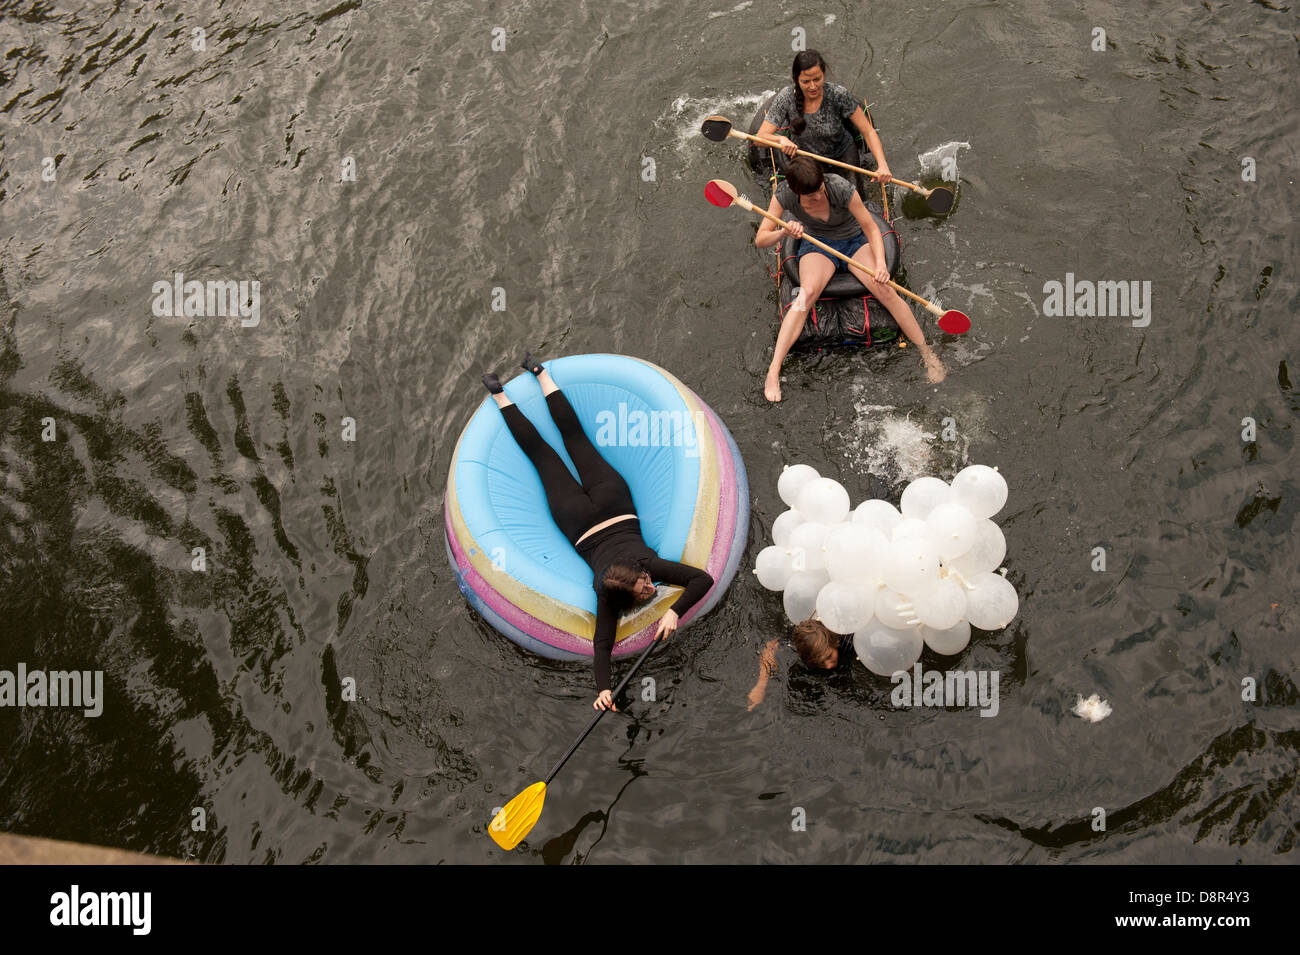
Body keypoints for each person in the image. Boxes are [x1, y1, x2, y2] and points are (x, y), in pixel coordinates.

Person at [481, 355, 714, 711]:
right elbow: (603, 646)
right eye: (647, 586)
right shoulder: (629, 577)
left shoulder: (627, 579)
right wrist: (604, 688)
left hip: (588, 515)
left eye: (645, 584)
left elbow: (604, 645)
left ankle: (522, 383)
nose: (651, 586)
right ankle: (527, 379)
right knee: (563, 446)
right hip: (602, 507)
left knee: (552, 453)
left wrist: (672, 612)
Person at [754, 157, 946, 400]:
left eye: (821, 191)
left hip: (853, 241)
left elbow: (871, 228)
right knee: (806, 295)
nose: (819, 197)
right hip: (816, 244)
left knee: (886, 291)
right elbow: (761, 239)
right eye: (811, 196)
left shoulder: (840, 188)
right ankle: (773, 370)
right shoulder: (784, 195)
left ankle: (927, 353)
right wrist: (784, 231)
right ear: (796, 192)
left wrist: (879, 265)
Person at [755, 50, 893, 189]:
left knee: (854, 196)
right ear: (797, 79)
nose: (813, 86)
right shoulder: (786, 97)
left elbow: (867, 131)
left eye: (817, 79)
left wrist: (883, 166)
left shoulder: (838, 95)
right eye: (806, 82)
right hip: (807, 160)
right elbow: (760, 138)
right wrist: (780, 140)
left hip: (842, 155)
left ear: (823, 75)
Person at [747, 617, 845, 710]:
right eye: (820, 662)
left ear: (835, 642)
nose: (828, 666)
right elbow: (770, 648)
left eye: (829, 656)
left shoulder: (844, 637)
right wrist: (760, 686)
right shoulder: (799, 639)